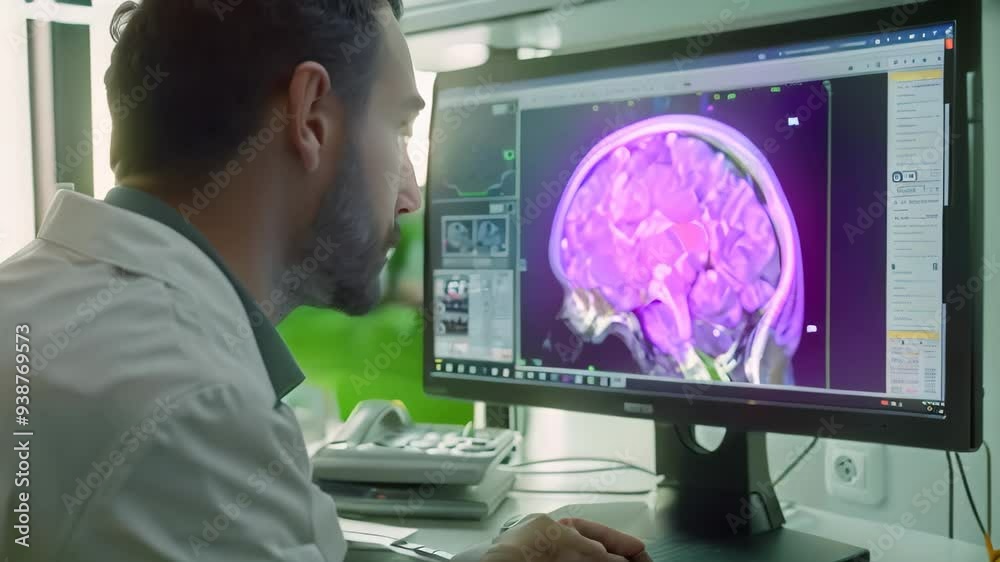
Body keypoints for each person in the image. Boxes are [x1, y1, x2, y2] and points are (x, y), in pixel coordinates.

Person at [0, 1, 651, 561]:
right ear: (310, 117)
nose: (411, 196)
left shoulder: (37, 304)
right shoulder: (195, 407)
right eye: (400, 129)